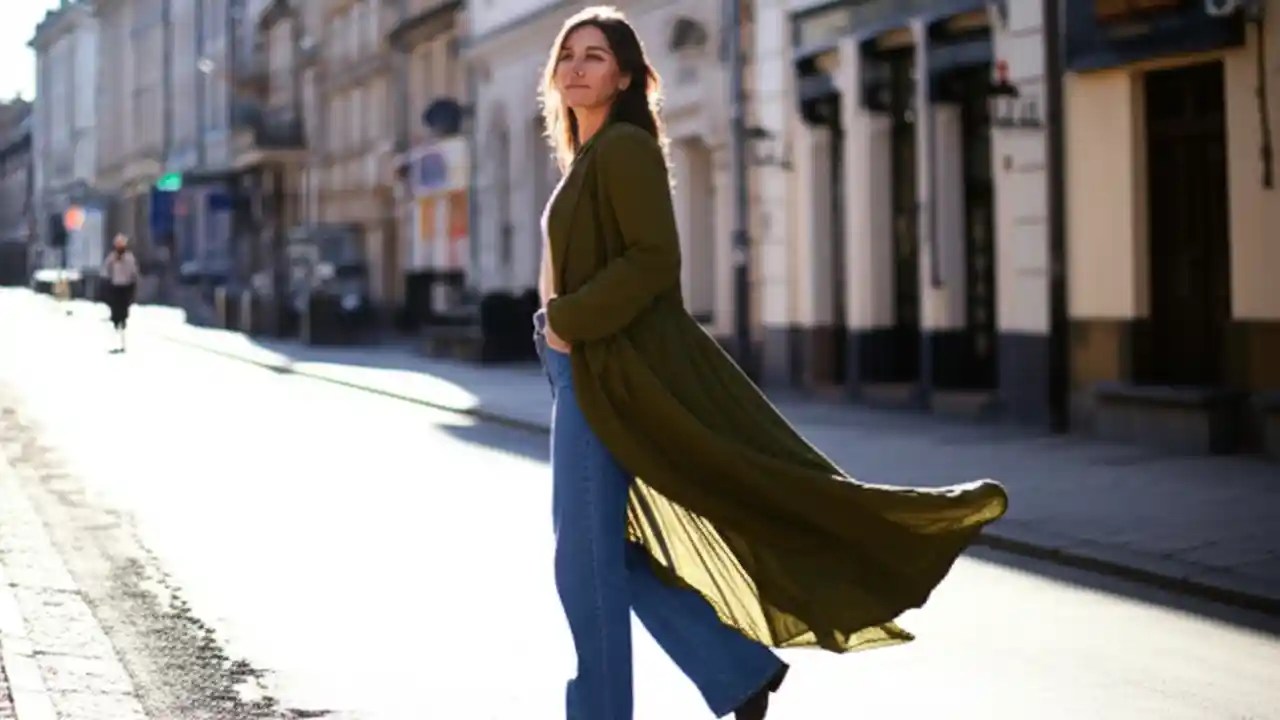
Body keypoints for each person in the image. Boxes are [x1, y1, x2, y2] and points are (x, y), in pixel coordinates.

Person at [532, 6, 1009, 720]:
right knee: (602, 559)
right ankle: (736, 673)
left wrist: (566, 319)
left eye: (595, 56)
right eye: (568, 55)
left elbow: (655, 260)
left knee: (583, 567)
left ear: (626, 75)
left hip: (605, 370)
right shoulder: (591, 155)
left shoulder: (625, 147)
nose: (576, 67)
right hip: (578, 368)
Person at [101, 234, 140, 353]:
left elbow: (134, 272)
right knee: (115, 312)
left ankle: (122, 335)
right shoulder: (112, 258)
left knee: (124, 311)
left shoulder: (129, 258)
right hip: (115, 287)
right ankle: (116, 333)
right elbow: (105, 271)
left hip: (126, 287)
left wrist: (134, 284)